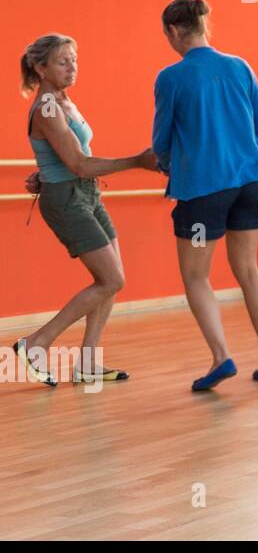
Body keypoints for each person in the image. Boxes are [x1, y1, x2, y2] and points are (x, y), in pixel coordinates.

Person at [152, 0, 258, 391]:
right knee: (248, 270)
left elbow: (161, 142)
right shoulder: (239, 66)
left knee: (195, 275)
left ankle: (220, 357)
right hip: (249, 184)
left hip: (201, 192)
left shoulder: (170, 77)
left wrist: (167, 162)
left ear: (174, 31)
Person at [13, 34, 154, 387]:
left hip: (87, 193)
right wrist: (138, 160)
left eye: (74, 60)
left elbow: (64, 156)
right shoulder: (46, 106)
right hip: (67, 198)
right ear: (40, 67)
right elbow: (78, 162)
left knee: (111, 281)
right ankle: (35, 343)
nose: (72, 67)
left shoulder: (64, 99)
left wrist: (44, 173)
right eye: (63, 62)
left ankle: (88, 363)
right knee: (113, 279)